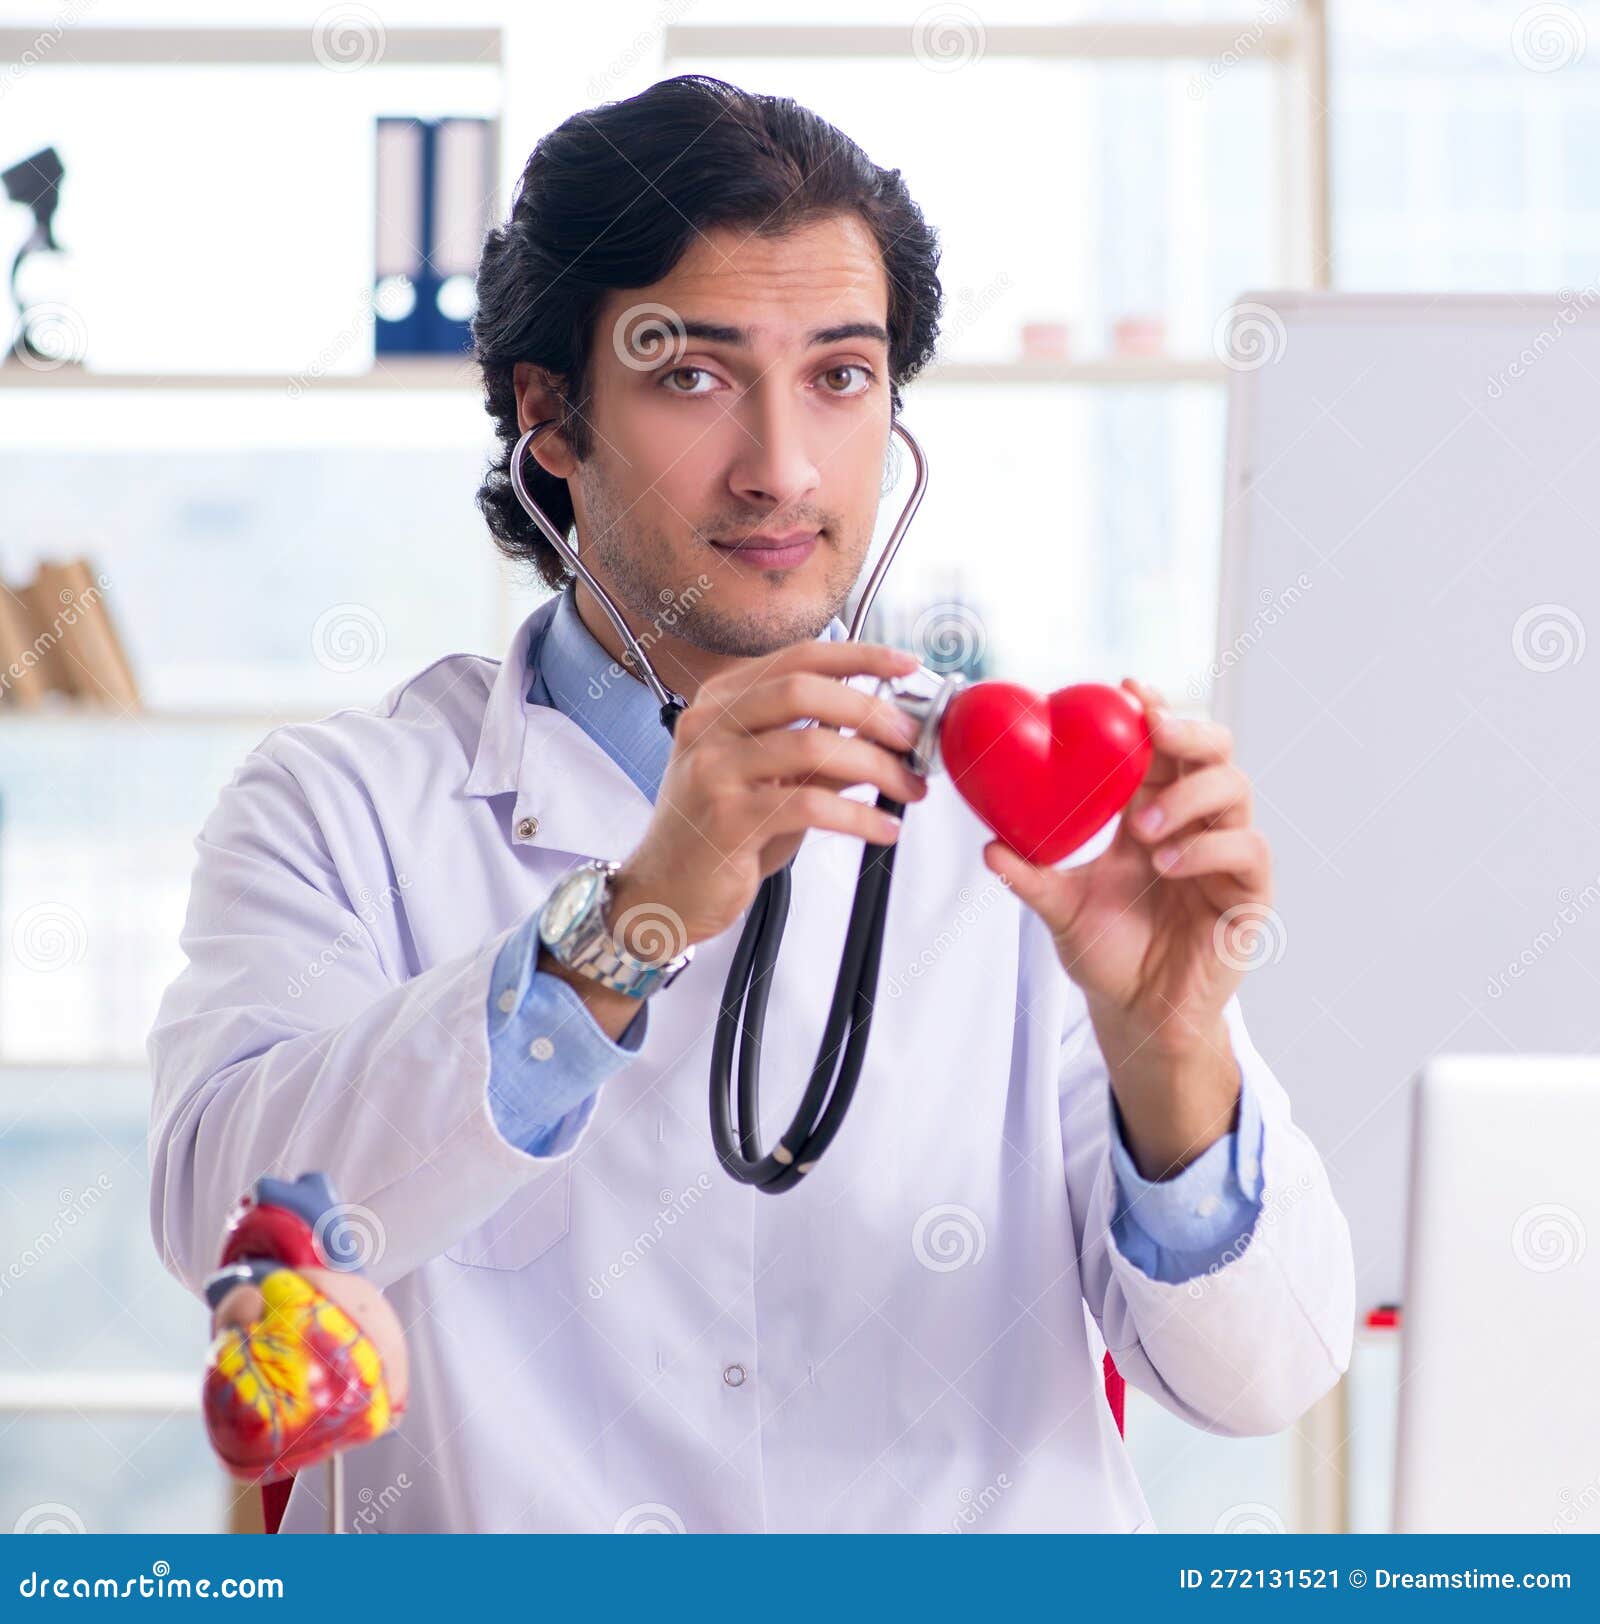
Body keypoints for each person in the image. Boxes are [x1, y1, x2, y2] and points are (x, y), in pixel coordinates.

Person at [149, 74, 1354, 1534]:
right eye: (693, 374)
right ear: (550, 418)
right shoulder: (340, 810)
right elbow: (227, 1214)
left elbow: (1264, 1371)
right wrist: (628, 923)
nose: (782, 468)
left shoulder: (1039, 819)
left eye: (840, 377)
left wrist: (1171, 1052)